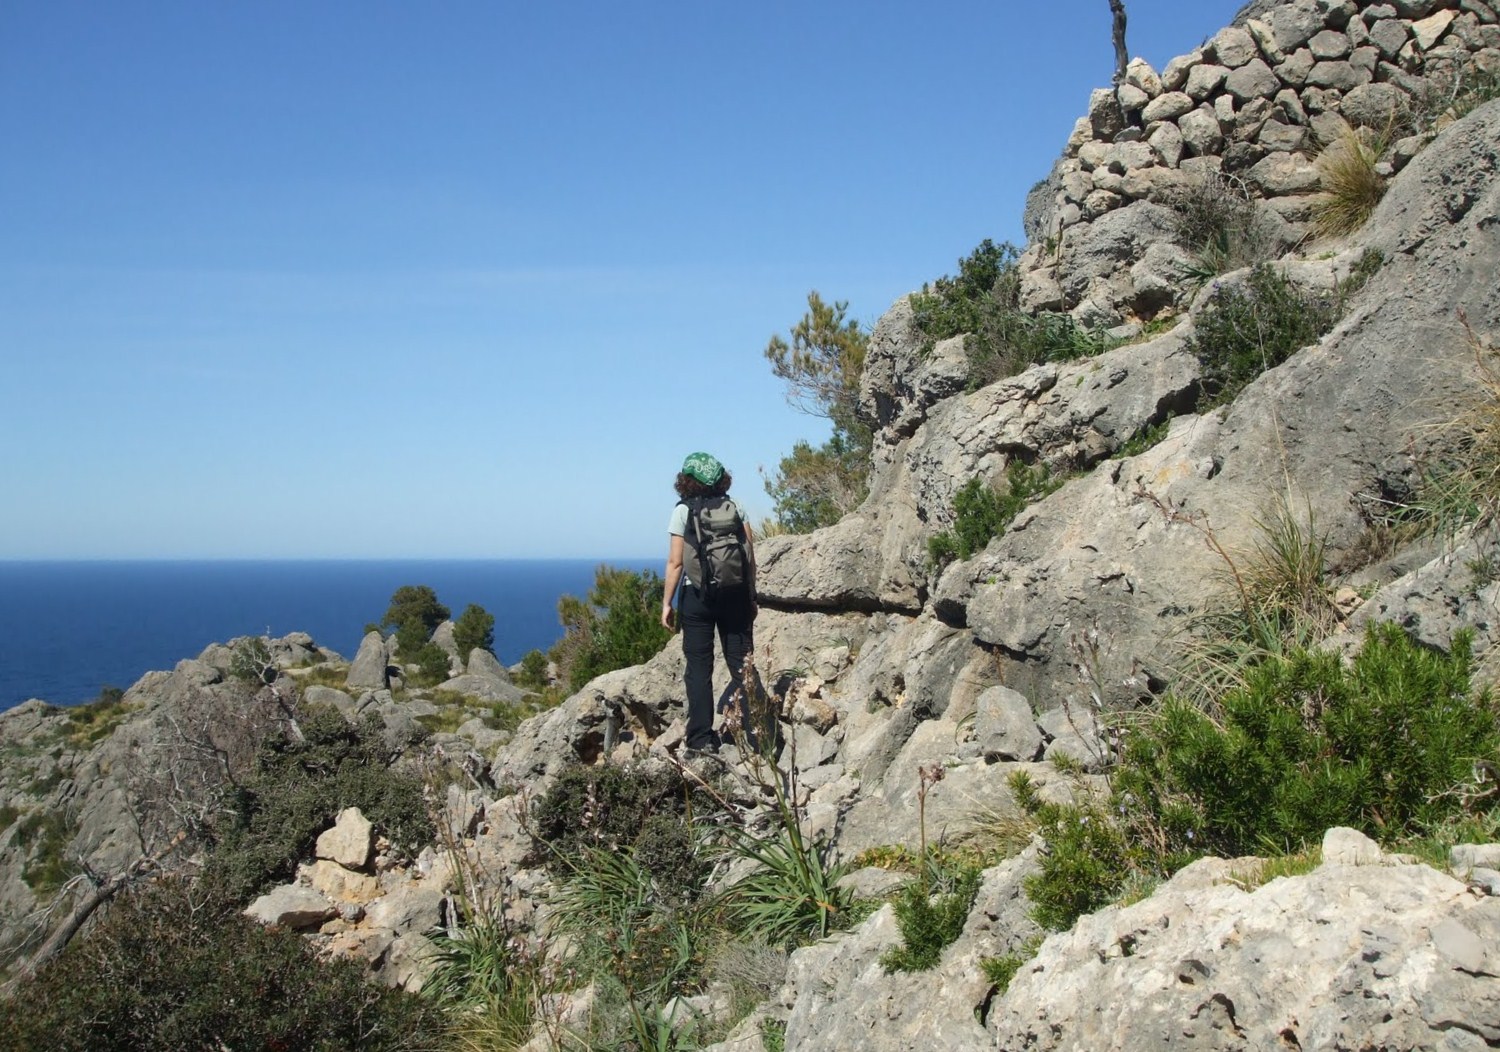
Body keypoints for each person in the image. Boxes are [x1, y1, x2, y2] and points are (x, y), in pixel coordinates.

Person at [660, 451, 757, 754]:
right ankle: (760, 735)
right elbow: (749, 555)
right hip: (735, 594)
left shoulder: (682, 511)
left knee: (699, 669)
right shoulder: (736, 506)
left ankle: (701, 740)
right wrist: (751, 595)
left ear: (686, 480)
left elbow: (676, 563)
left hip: (697, 597)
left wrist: (667, 603)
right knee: (742, 664)